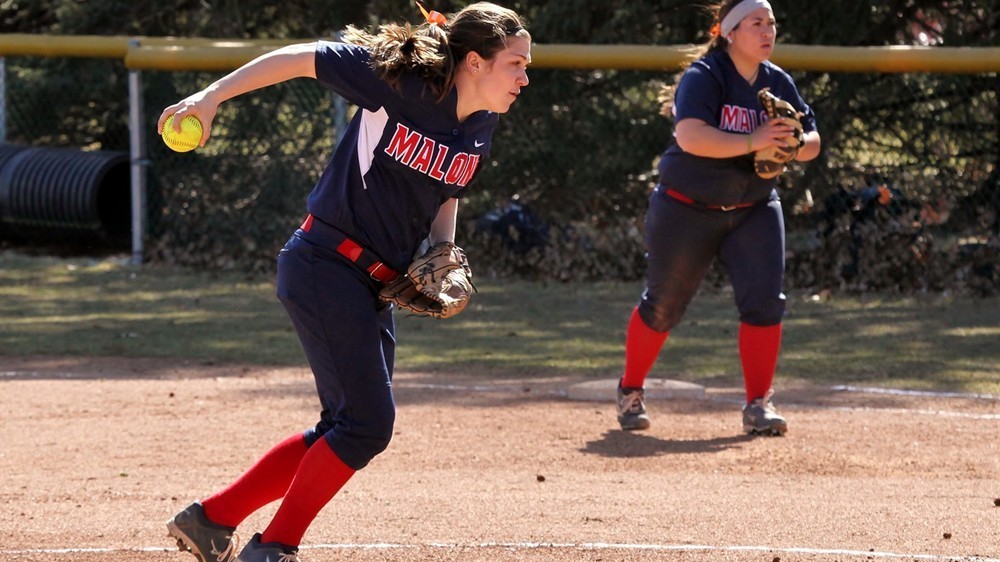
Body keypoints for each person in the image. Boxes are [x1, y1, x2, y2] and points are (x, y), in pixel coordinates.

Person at [159, 3, 530, 561]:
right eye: (517, 63)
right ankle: (275, 547)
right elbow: (298, 58)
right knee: (365, 426)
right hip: (324, 265)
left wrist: (442, 249)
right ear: (475, 61)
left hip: (373, 285)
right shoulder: (401, 85)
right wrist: (209, 98)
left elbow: (445, 190)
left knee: (342, 426)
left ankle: (211, 520)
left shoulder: (482, 122)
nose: (526, 76)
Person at [615, 0, 820, 435]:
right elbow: (691, 137)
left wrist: (792, 143)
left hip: (753, 208)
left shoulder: (777, 80)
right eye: (756, 23)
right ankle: (630, 390)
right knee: (664, 306)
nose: (768, 30)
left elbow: (813, 140)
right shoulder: (705, 76)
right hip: (686, 207)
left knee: (765, 302)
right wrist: (756, 139)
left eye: (772, 23)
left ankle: (759, 404)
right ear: (729, 31)